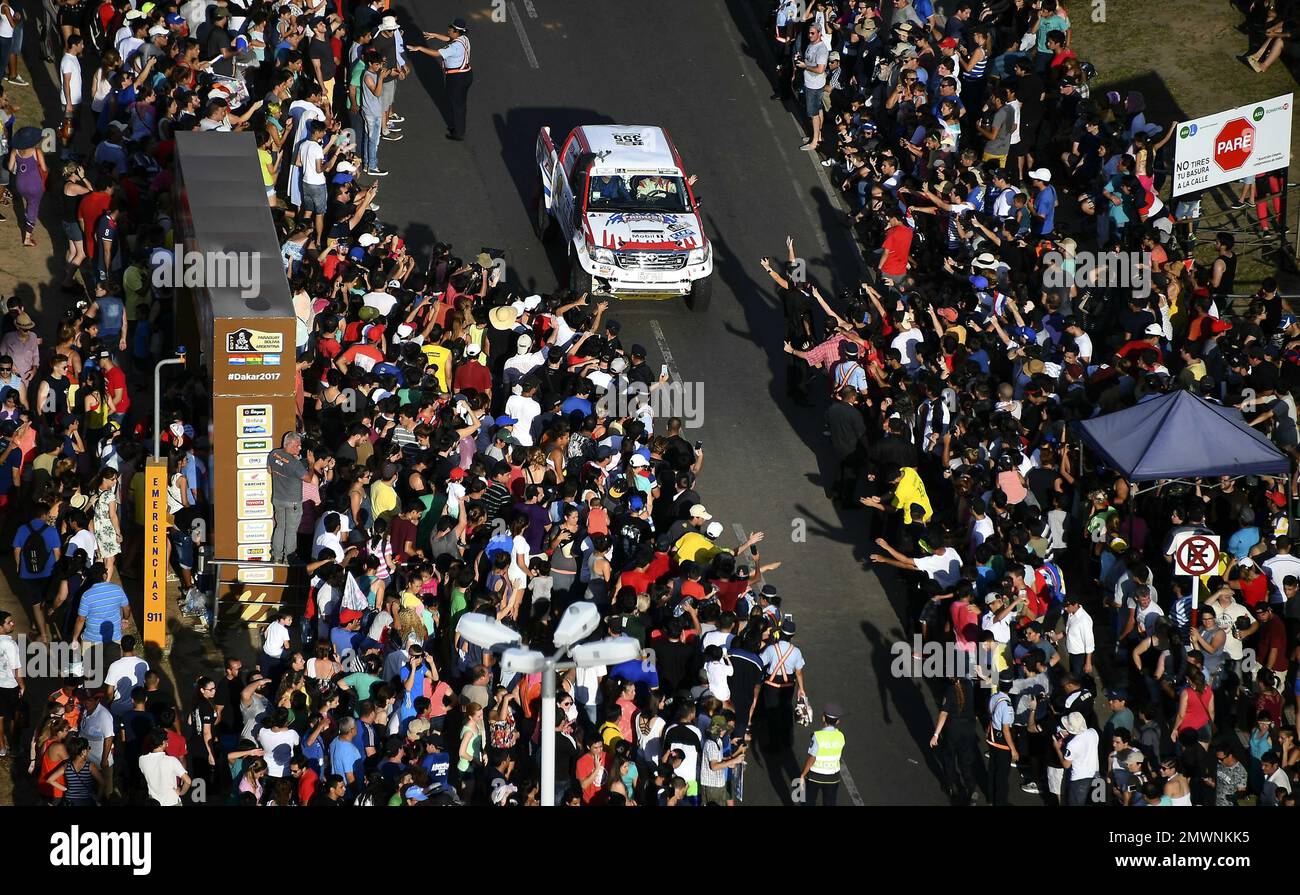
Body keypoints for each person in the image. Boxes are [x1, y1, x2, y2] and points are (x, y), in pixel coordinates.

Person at [415, 19, 473, 141]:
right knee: (459, 103)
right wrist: (435, 35)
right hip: (465, 74)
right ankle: (458, 126)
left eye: (450, 29)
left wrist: (420, 48)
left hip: (457, 77)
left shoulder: (455, 47)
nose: (448, 30)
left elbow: (437, 53)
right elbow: (448, 39)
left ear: (456, 31)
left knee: (457, 105)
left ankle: (458, 132)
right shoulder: (463, 39)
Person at [798, 703, 844, 805]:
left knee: (808, 801)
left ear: (823, 718)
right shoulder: (841, 736)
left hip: (815, 776)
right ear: (838, 721)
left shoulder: (817, 736)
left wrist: (802, 775)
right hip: (833, 777)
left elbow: (812, 758)